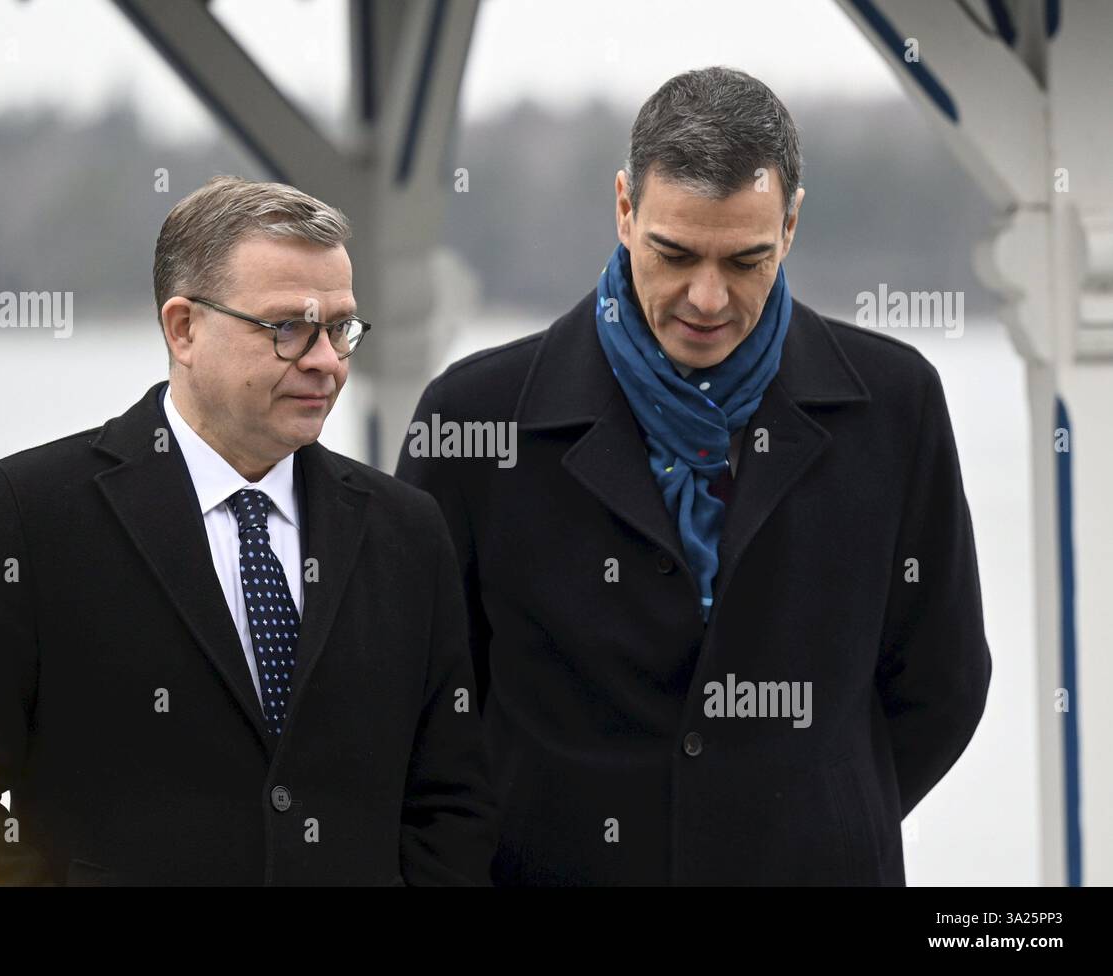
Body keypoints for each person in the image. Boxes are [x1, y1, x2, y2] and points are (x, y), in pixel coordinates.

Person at [396, 67, 991, 885]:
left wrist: (816, 817)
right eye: (673, 254)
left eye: (745, 261)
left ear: (791, 226)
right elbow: (421, 705)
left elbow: (942, 684)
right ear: (623, 210)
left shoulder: (897, 403)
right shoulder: (471, 415)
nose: (707, 298)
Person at [0, 176, 496, 885]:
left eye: (341, 327)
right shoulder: (29, 514)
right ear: (183, 327)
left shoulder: (406, 528)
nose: (326, 359)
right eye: (289, 327)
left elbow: (453, 802)